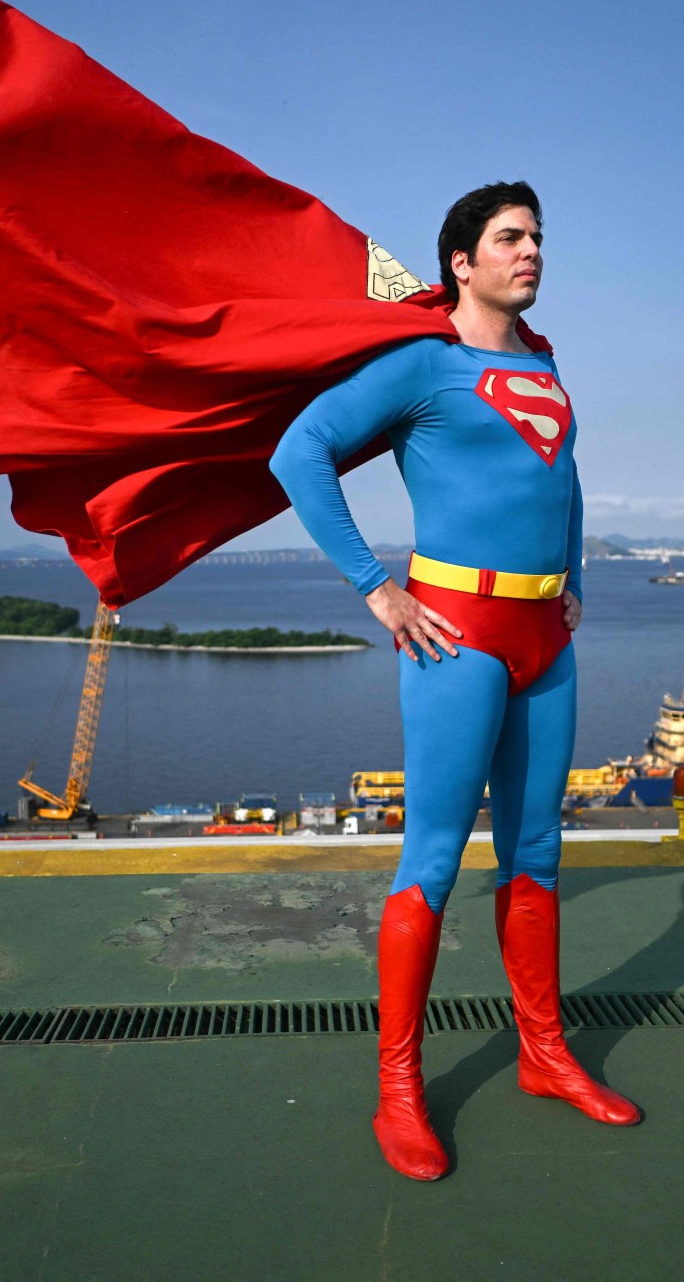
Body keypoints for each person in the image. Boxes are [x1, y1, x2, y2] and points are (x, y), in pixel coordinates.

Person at [270, 182, 641, 1182]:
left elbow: (563, 478)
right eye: (509, 238)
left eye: (537, 236)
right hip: (455, 638)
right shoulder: (423, 364)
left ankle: (543, 1054)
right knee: (431, 860)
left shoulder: (543, 361)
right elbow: (299, 452)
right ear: (461, 265)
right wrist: (376, 588)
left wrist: (574, 578)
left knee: (537, 852)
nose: (531, 251)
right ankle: (398, 1089)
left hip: (544, 639)